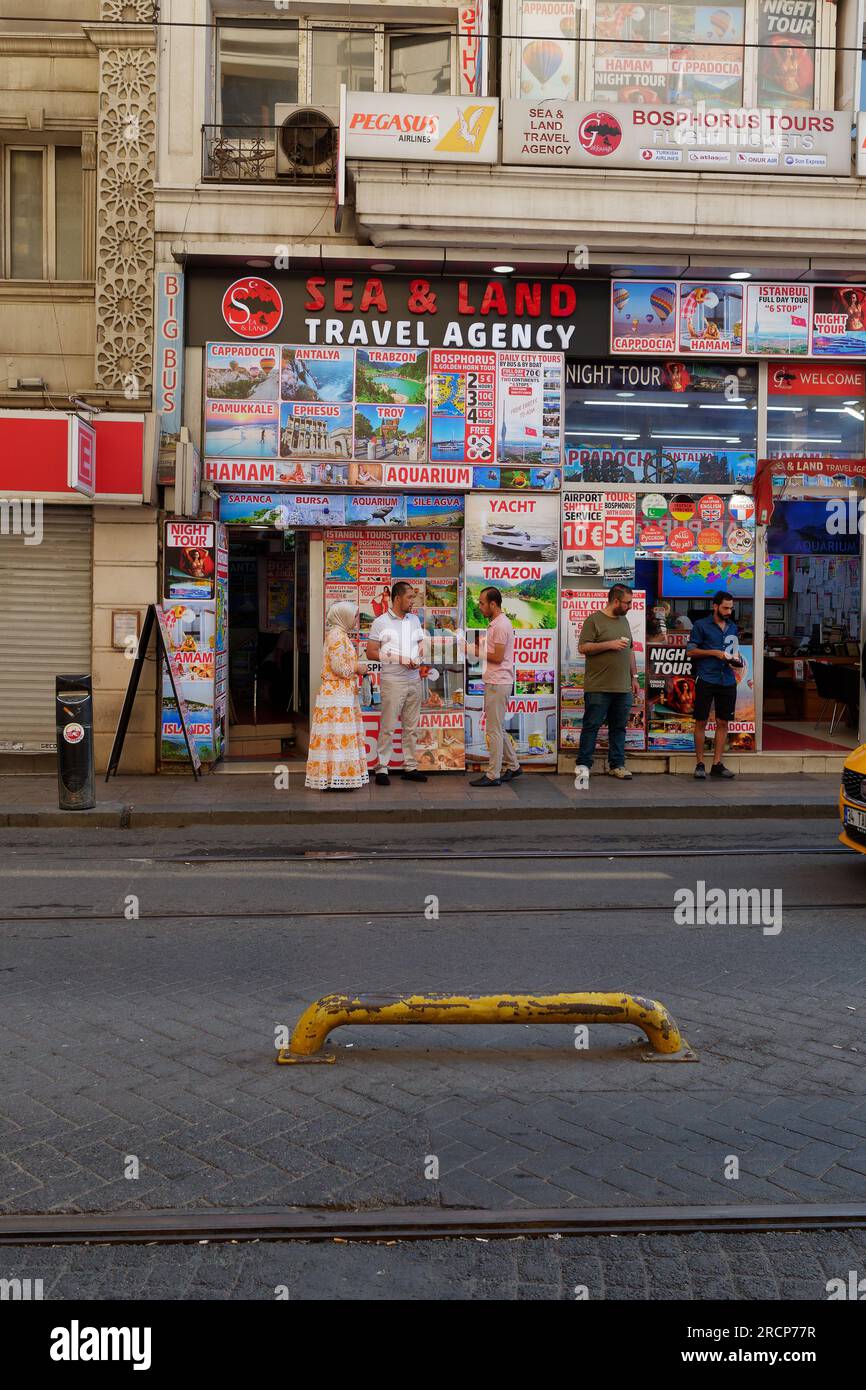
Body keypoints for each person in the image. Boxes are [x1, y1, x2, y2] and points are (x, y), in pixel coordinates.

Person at [575, 584, 641, 781]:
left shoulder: (625, 621)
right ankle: (583, 768)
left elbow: (630, 650)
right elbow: (583, 647)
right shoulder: (593, 620)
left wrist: (635, 677)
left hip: (623, 687)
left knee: (619, 728)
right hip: (599, 687)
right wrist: (609, 644)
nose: (630, 606)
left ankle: (617, 765)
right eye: (627, 603)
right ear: (615, 601)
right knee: (591, 727)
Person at [366, 581, 427, 785]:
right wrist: (400, 658)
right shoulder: (381, 622)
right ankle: (382, 768)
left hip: (414, 679)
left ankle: (410, 766)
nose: (412, 601)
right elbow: (371, 652)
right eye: (409, 597)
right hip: (392, 681)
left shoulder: (415, 620)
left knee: (411, 727)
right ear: (397, 598)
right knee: (388, 726)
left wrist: (420, 653)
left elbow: (420, 644)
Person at [305, 602, 369, 792]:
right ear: (344, 616)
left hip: (340, 694)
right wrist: (358, 668)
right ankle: (336, 778)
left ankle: (338, 777)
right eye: (354, 616)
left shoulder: (339, 635)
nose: (356, 620)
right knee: (337, 736)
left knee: (336, 737)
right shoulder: (336, 636)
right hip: (336, 695)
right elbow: (340, 668)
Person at [469, 587, 522, 788]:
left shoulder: (500, 625)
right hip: (496, 681)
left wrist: (475, 651)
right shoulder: (498, 624)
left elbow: (498, 657)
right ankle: (514, 766)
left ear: (493, 604)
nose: (480, 606)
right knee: (497, 727)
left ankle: (493, 774)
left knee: (493, 730)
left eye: (482, 603)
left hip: (498, 682)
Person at [687, 590, 741, 780]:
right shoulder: (701, 625)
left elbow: (733, 652)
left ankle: (717, 763)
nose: (728, 612)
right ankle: (699, 763)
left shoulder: (733, 627)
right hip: (707, 678)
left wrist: (736, 660)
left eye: (731, 609)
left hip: (727, 679)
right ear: (715, 606)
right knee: (701, 720)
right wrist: (714, 653)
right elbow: (690, 651)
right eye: (725, 608)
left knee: (723, 722)